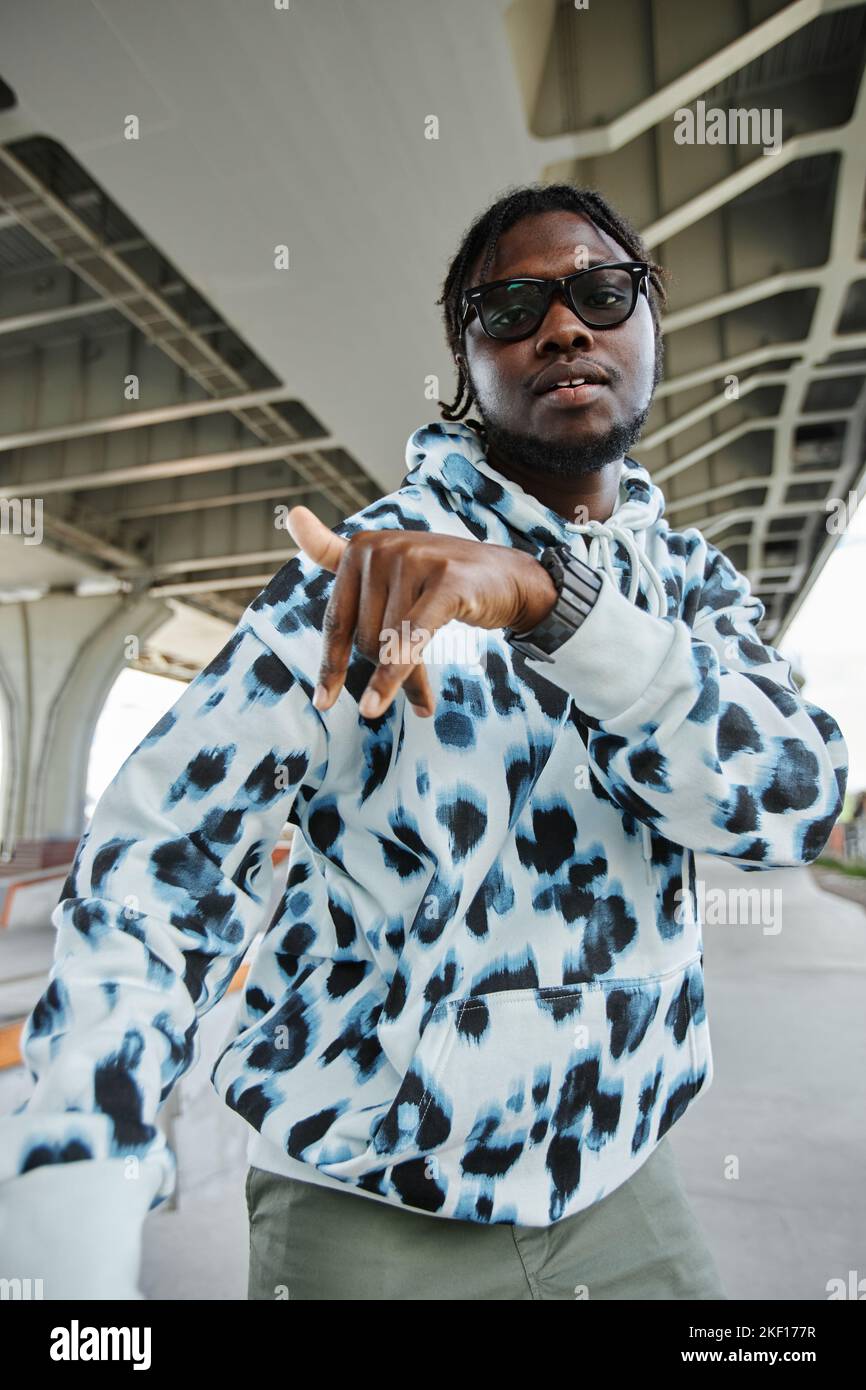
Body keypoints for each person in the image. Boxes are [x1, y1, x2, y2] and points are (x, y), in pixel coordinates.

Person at [0, 183, 848, 1301]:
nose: (561, 326)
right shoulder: (359, 573)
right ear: (466, 359)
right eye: (508, 307)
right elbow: (166, 857)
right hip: (369, 1221)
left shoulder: (691, 588)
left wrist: (558, 605)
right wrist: (80, 1168)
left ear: (648, 322)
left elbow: (790, 810)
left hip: (627, 1190)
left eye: (600, 290)